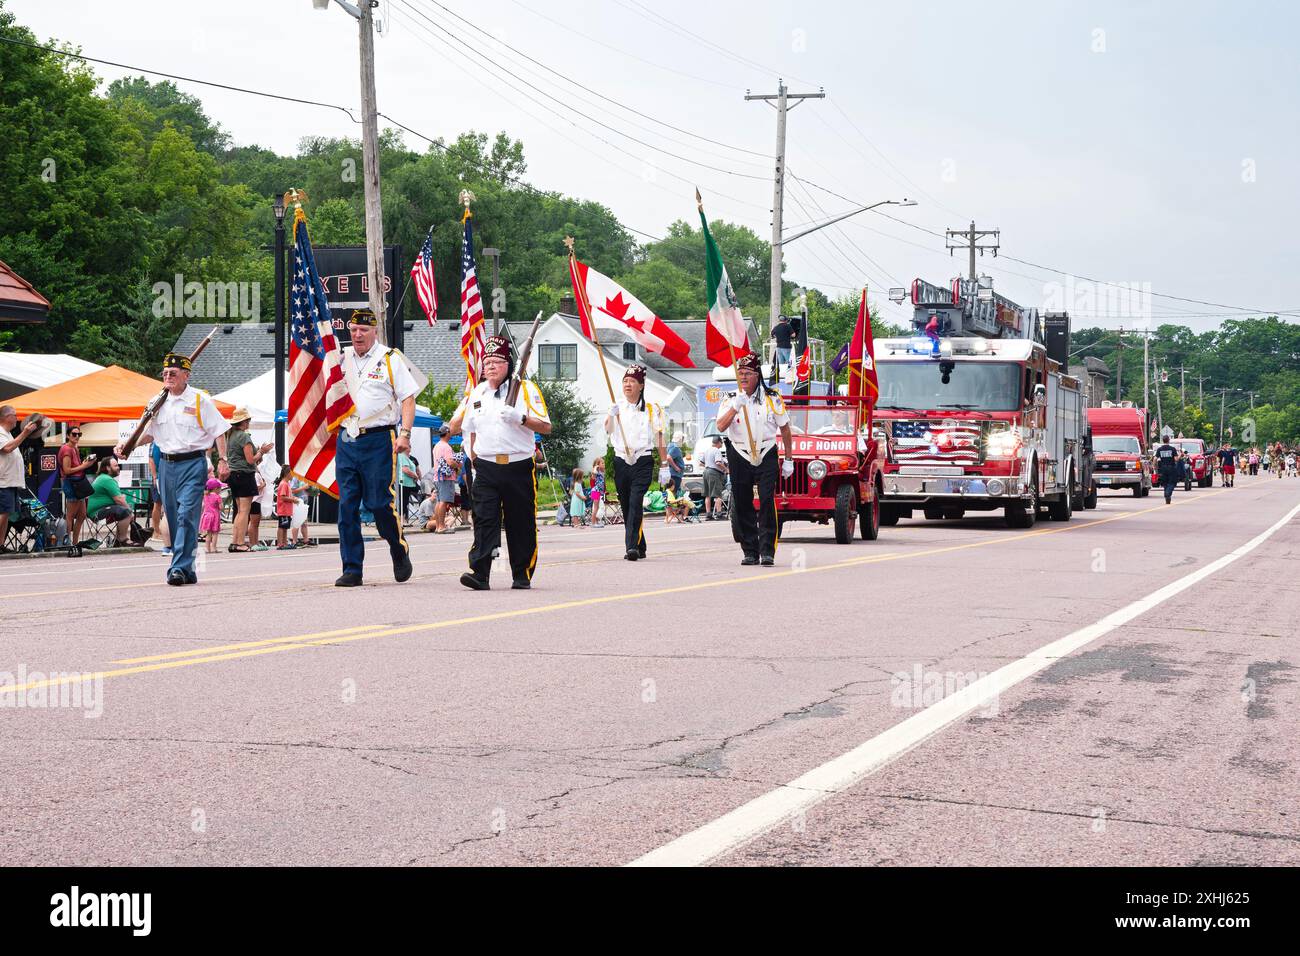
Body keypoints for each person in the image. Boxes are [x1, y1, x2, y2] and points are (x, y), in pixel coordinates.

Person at [114, 353, 230, 585]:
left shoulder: (199, 400)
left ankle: (176, 567)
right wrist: (126, 445)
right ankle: (187, 567)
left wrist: (223, 459)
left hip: (192, 463)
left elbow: (219, 430)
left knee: (187, 514)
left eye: (173, 373)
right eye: (165, 373)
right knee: (174, 517)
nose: (168, 377)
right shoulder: (157, 401)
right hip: (166, 464)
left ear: (186, 375)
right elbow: (147, 433)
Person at [450, 334, 552, 590]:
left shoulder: (526, 389)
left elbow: (546, 427)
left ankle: (521, 573)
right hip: (485, 466)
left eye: (497, 361)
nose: (491, 366)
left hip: (518, 466)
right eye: (487, 362)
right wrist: (473, 461)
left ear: (509, 364)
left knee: (521, 522)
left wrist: (521, 419)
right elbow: (464, 429)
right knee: (484, 519)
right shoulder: (478, 392)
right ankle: (480, 573)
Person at [333, 309, 420, 587]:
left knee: (379, 503)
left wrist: (404, 434)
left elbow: (408, 399)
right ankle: (352, 568)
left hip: (378, 438)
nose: (357, 335)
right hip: (347, 437)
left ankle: (397, 547)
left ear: (374, 332)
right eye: (354, 330)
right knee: (347, 506)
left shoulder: (390, 358)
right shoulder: (340, 358)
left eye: (363, 330)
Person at [715, 352, 795, 566]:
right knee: (742, 502)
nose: (742, 377)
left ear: (757, 374)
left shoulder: (772, 398)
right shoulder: (730, 398)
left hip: (766, 451)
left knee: (767, 500)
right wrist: (735, 406)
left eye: (747, 373)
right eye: (739, 373)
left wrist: (789, 458)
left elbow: (785, 429)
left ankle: (767, 550)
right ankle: (750, 550)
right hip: (739, 453)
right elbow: (721, 426)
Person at [604, 364, 668, 560]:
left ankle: (631, 547)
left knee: (635, 502)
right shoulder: (617, 407)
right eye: (625, 381)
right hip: (621, 460)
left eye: (632, 381)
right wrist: (611, 415)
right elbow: (607, 430)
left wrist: (664, 465)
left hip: (642, 459)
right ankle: (640, 544)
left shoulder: (651, 409)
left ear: (641, 385)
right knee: (625, 504)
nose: (627, 385)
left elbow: (659, 437)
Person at [224, 408, 273, 553]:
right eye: (248, 421)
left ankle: (235, 541)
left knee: (239, 511)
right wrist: (262, 451)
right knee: (244, 512)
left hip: (233, 475)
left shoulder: (231, 436)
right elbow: (251, 460)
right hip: (244, 475)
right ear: (244, 422)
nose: (249, 423)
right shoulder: (244, 437)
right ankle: (240, 543)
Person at [0, 406, 41, 552]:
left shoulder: (8, 434)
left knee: (6, 514)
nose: (17, 418)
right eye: (15, 415)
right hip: (2, 482)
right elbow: (7, 449)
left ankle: (1, 545)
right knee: (2, 514)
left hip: (9, 482)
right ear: (7, 417)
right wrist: (25, 433)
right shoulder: (0, 433)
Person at [58, 424, 98, 555]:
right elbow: (67, 470)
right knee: (71, 514)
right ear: (68, 435)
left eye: (79, 434)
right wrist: (85, 465)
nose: (76, 437)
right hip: (71, 483)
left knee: (82, 514)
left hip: (78, 482)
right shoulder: (67, 449)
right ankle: (69, 543)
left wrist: (85, 462)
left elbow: (75, 467)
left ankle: (74, 543)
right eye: (74, 434)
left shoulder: (74, 448)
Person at [84, 455, 135, 546]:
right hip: (98, 515)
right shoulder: (107, 479)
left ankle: (118, 541)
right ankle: (122, 539)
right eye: (115, 466)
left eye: (118, 465)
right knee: (126, 511)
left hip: (95, 513)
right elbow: (119, 500)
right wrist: (131, 512)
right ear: (108, 468)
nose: (118, 468)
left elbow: (118, 499)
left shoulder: (102, 477)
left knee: (122, 510)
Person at [428, 425, 459, 534]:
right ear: (447, 433)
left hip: (437, 476)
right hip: (446, 477)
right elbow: (450, 462)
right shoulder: (446, 447)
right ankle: (441, 526)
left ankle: (438, 526)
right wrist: (458, 465)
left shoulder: (436, 446)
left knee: (439, 501)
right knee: (443, 502)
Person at [146, 441, 172, 554]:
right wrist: (155, 476)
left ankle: (159, 532)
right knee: (158, 504)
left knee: (161, 505)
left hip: (162, 476)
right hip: (159, 477)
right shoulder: (156, 442)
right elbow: (151, 460)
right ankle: (156, 532)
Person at [700, 436, 728, 521]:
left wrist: (708, 466)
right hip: (714, 473)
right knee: (717, 494)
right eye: (721, 443)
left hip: (706, 472)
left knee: (707, 494)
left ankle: (708, 514)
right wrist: (726, 469)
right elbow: (718, 462)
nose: (722, 445)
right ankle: (719, 513)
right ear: (719, 442)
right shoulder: (717, 451)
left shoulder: (707, 450)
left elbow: (701, 463)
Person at [1152, 437, 1181, 504]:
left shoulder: (1159, 449)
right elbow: (1176, 459)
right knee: (1172, 482)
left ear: (1163, 440)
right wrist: (1180, 455)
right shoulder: (1172, 449)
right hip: (1171, 468)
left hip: (1163, 468)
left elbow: (1155, 459)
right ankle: (1167, 494)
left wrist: (1154, 467)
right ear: (1168, 440)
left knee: (1165, 483)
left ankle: (1167, 497)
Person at [201, 478, 224, 553]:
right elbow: (221, 508)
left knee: (208, 533)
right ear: (216, 488)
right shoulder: (218, 497)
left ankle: (207, 549)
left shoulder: (206, 495)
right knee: (215, 533)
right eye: (220, 488)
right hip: (214, 517)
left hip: (207, 516)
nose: (221, 490)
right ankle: (214, 548)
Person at [397, 447, 421, 521]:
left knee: (421, 494)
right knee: (403, 502)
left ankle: (404, 519)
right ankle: (402, 519)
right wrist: (415, 476)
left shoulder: (410, 458)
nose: (410, 447)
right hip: (404, 483)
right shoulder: (402, 456)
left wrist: (420, 478)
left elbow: (417, 470)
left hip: (411, 483)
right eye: (408, 446)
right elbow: (405, 470)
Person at [275, 464, 295, 550]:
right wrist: (293, 500)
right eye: (292, 473)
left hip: (286, 510)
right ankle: (280, 543)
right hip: (283, 509)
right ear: (287, 473)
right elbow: (282, 497)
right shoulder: (284, 484)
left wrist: (292, 498)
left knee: (285, 527)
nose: (293, 475)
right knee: (282, 527)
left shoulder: (286, 483)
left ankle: (284, 542)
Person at [665, 431, 686, 496]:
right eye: (682, 438)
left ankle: (669, 505)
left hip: (671, 474)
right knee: (673, 493)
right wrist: (676, 467)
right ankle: (672, 506)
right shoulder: (675, 447)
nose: (683, 440)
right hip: (675, 475)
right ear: (679, 439)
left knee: (669, 493)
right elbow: (668, 457)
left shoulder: (670, 445)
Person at [590, 456, 607, 526]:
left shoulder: (602, 472)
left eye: (604, 463)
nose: (604, 464)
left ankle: (596, 522)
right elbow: (593, 477)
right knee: (596, 507)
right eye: (602, 463)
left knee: (598, 507)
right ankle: (593, 523)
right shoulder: (596, 472)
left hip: (599, 492)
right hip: (595, 491)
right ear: (598, 465)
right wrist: (595, 467)